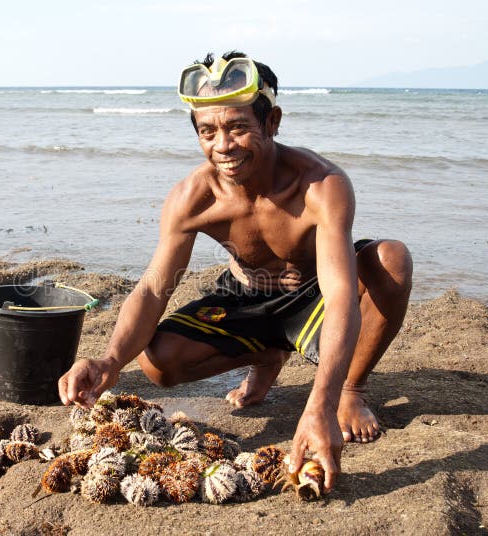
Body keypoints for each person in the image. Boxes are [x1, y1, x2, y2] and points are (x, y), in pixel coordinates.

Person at [58, 51, 413, 494]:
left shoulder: (321, 185)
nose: (222, 145)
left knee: (391, 259)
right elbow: (153, 287)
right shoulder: (193, 197)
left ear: (272, 122)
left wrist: (320, 404)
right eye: (208, 131)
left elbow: (340, 295)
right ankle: (267, 354)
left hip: (313, 296)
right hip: (245, 298)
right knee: (158, 363)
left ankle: (352, 390)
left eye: (238, 127)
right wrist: (109, 360)